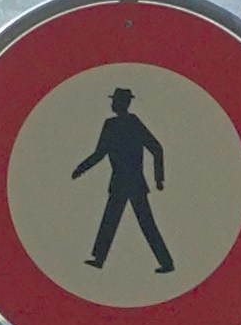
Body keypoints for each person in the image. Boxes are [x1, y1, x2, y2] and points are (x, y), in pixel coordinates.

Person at [73, 81, 172, 273]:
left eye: (115, 101)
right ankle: (99, 258)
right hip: (124, 182)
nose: (113, 104)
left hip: (131, 182)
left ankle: (166, 263)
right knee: (112, 220)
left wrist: (159, 178)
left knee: (144, 222)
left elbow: (156, 148)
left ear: (121, 103)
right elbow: (100, 153)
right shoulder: (111, 124)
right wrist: (80, 168)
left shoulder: (130, 123)